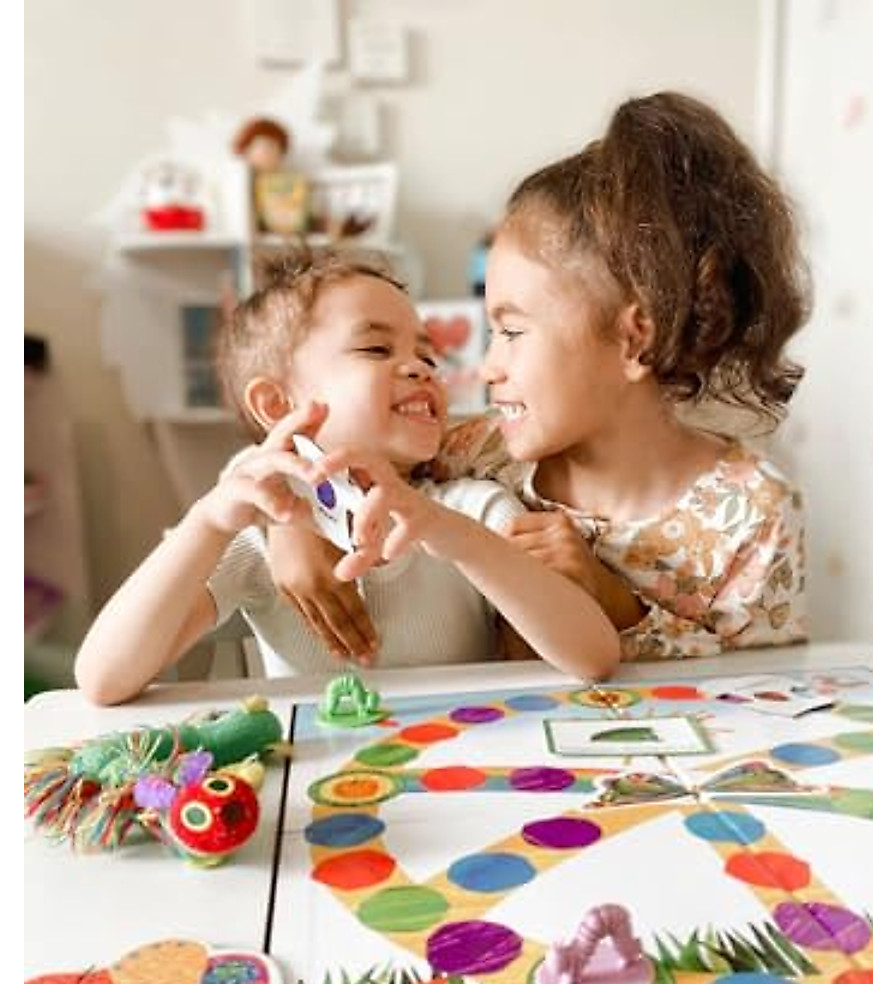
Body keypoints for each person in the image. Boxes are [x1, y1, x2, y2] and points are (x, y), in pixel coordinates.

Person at [264, 91, 811, 664]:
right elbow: (329, 456)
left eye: (511, 331)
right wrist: (291, 526)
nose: (487, 366)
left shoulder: (756, 512)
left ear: (633, 340)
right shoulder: (473, 454)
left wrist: (612, 600)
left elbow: (757, 691)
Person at [74, 250, 620, 705]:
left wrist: (447, 531)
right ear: (277, 404)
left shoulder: (475, 509)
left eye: (428, 355)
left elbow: (594, 656)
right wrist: (206, 524)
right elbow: (102, 680)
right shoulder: (259, 540)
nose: (420, 367)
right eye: (376, 349)